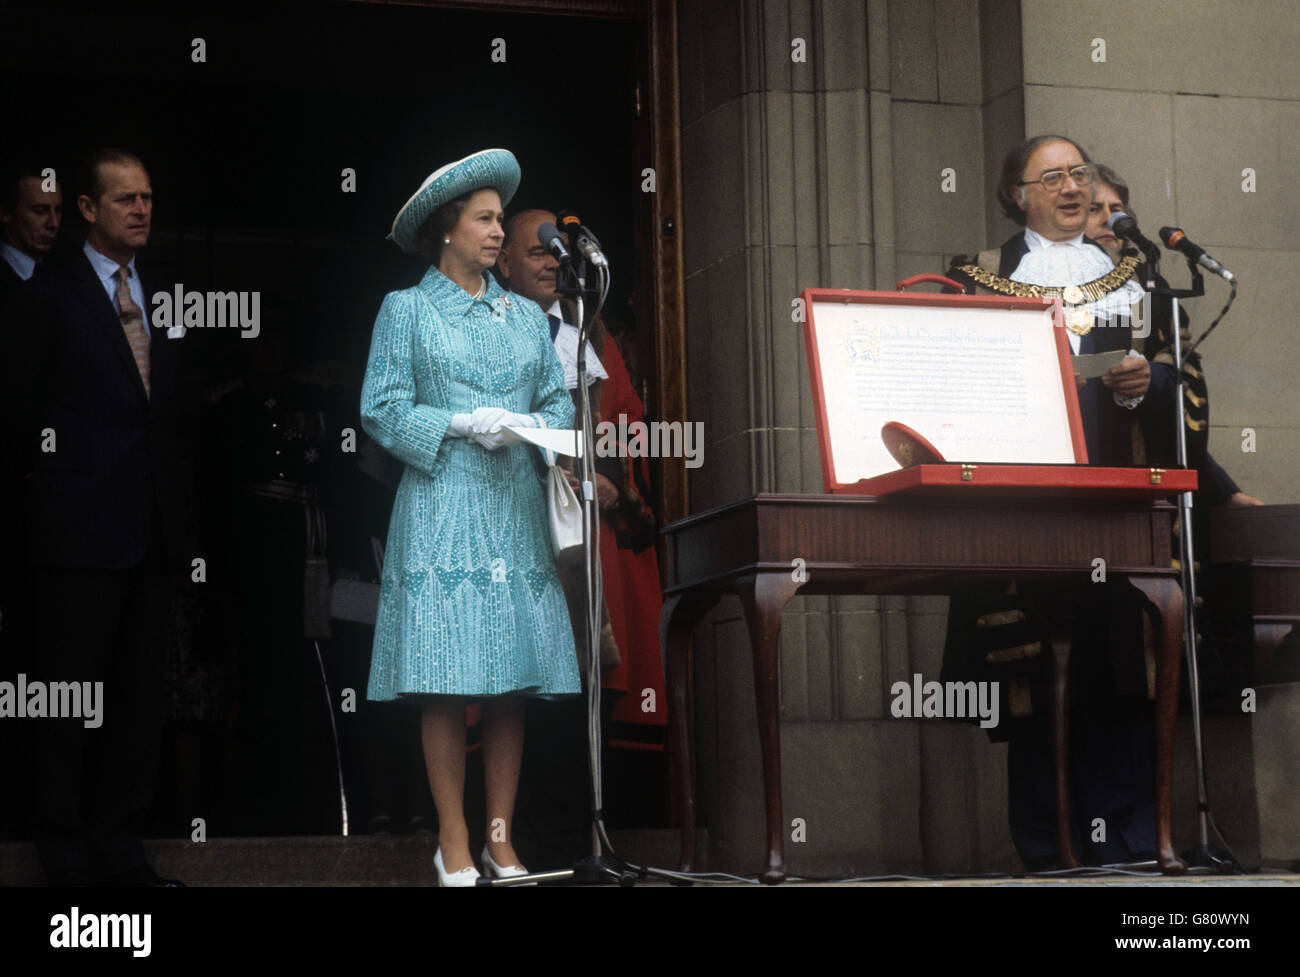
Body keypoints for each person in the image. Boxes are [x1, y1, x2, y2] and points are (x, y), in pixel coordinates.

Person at [942, 135, 1183, 869]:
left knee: (1118, 671)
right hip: (1023, 509)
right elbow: (958, 382)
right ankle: (1050, 852)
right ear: (1018, 193)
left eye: (1078, 173)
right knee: (1034, 681)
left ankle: (1135, 848)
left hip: (1115, 505)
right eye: (1052, 177)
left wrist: (1151, 385)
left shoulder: (1137, 272)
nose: (1072, 187)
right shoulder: (980, 276)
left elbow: (1184, 380)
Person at [361, 149, 579, 886]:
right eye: (484, 219)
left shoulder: (526, 316)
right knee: (448, 677)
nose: (498, 232)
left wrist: (523, 425)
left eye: (496, 219)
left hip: (512, 502)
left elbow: (560, 401)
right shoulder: (408, 309)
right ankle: (452, 838)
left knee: (512, 678)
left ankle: (500, 838)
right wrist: (456, 424)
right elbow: (381, 406)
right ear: (445, 228)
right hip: (442, 500)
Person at [4, 148, 193, 885]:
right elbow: (18, 415)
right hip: (74, 534)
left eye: (147, 198)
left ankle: (122, 853)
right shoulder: (46, 295)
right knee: (68, 702)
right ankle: (66, 860)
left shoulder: (169, 290)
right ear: (87, 208)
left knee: (138, 705)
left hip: (152, 533)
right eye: (124, 200)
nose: (141, 210)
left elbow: (175, 417)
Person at [497, 208, 667, 862]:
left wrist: (612, 479)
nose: (549, 259)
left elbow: (622, 421)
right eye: (534, 249)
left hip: (578, 534)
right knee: (523, 681)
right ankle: (523, 841)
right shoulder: (487, 324)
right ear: (504, 262)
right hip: (513, 526)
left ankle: (581, 840)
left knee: (580, 679)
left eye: (557, 250)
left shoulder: (584, 329)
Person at [1085, 163, 1262, 508]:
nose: (1108, 218)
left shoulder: (1141, 286)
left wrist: (1225, 492)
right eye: (1095, 209)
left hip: (1134, 488)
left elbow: (1179, 393)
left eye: (1116, 209)